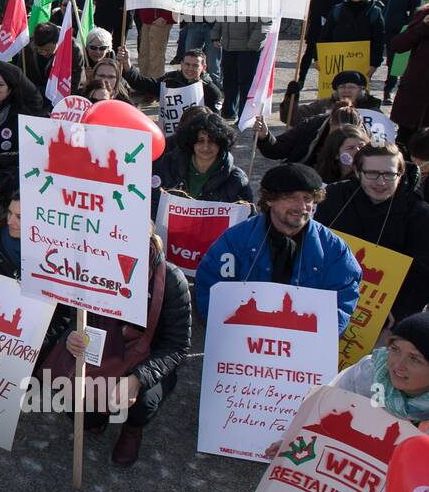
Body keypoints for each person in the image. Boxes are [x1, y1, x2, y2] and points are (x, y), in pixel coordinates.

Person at [41, 227, 191, 466]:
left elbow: (177, 347)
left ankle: (132, 429)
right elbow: (74, 317)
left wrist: (138, 378)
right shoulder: (93, 266)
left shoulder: (171, 280)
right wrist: (72, 337)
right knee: (78, 410)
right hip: (103, 352)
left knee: (143, 401)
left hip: (147, 358)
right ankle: (98, 416)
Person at [194, 163, 361, 335]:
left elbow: (342, 303)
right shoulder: (234, 241)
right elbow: (211, 289)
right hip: (242, 343)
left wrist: (317, 339)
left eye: (307, 198)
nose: (302, 206)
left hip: (303, 347)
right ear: (270, 199)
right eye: (291, 197)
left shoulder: (334, 250)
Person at [329, 312, 429, 492]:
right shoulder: (370, 370)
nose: (397, 364)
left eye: (415, 358)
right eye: (395, 348)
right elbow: (325, 404)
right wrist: (291, 440)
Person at [313, 142, 429, 320]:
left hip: (383, 313)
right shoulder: (333, 196)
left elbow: (421, 274)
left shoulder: (419, 213)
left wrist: (398, 313)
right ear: (358, 172)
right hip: (325, 299)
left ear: (401, 173)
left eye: (390, 174)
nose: (381, 182)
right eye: (372, 173)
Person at [151, 111, 252, 212]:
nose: (206, 147)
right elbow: (152, 203)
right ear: (191, 142)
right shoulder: (167, 166)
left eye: (212, 141)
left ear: (221, 143)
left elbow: (247, 218)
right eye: (200, 140)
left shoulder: (237, 180)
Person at [0, 61, 48, 170]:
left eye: (0, 84)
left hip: (10, 175)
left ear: (9, 90)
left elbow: (28, 151)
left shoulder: (21, 114)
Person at [372, 0, 424, 104]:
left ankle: (388, 91)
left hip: (398, 28)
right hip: (377, 26)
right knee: (371, 58)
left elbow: (416, 10)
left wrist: (409, 28)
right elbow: (371, 0)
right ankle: (363, 89)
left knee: (394, 62)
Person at [118, 45, 223, 113]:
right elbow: (143, 84)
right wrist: (127, 63)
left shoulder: (212, 91)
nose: (190, 69)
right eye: (187, 64)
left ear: (203, 67)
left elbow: (214, 122)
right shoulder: (169, 80)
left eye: (195, 65)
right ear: (181, 64)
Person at [318, 0, 385, 86]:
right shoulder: (337, 10)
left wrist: (375, 63)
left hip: (362, 61)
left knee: (358, 93)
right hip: (337, 58)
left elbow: (379, 40)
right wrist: (318, 57)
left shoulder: (375, 12)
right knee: (335, 92)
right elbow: (325, 34)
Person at [213, 15, 268, 123]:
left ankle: (245, 116)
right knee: (228, 80)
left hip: (248, 49)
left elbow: (266, 23)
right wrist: (216, 35)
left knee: (246, 84)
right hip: (228, 47)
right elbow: (222, 16)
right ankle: (228, 112)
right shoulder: (229, 0)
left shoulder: (260, 1)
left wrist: (253, 43)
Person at [389, 3, 429, 140]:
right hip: (414, 98)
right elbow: (398, 45)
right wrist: (423, 26)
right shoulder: (424, 15)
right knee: (405, 144)